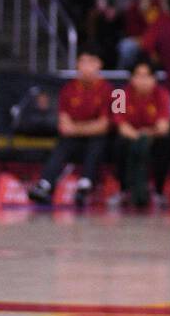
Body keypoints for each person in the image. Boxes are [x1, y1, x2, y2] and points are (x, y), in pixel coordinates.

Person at [28, 52, 112, 209]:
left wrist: (78, 128)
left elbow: (105, 126)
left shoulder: (113, 91)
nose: (86, 67)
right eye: (83, 62)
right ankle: (44, 184)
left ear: (99, 65)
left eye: (91, 62)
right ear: (77, 65)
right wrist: (85, 128)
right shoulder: (68, 89)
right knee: (63, 143)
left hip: (97, 139)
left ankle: (85, 184)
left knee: (98, 141)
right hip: (73, 138)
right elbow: (64, 126)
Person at [114, 57, 170, 208]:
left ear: (154, 79)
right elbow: (120, 125)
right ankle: (124, 190)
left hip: (152, 138)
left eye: (147, 76)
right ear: (131, 78)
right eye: (138, 76)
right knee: (119, 143)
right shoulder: (119, 94)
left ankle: (158, 191)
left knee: (165, 143)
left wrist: (146, 135)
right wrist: (138, 137)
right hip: (130, 137)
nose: (143, 80)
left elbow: (163, 127)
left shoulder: (163, 94)